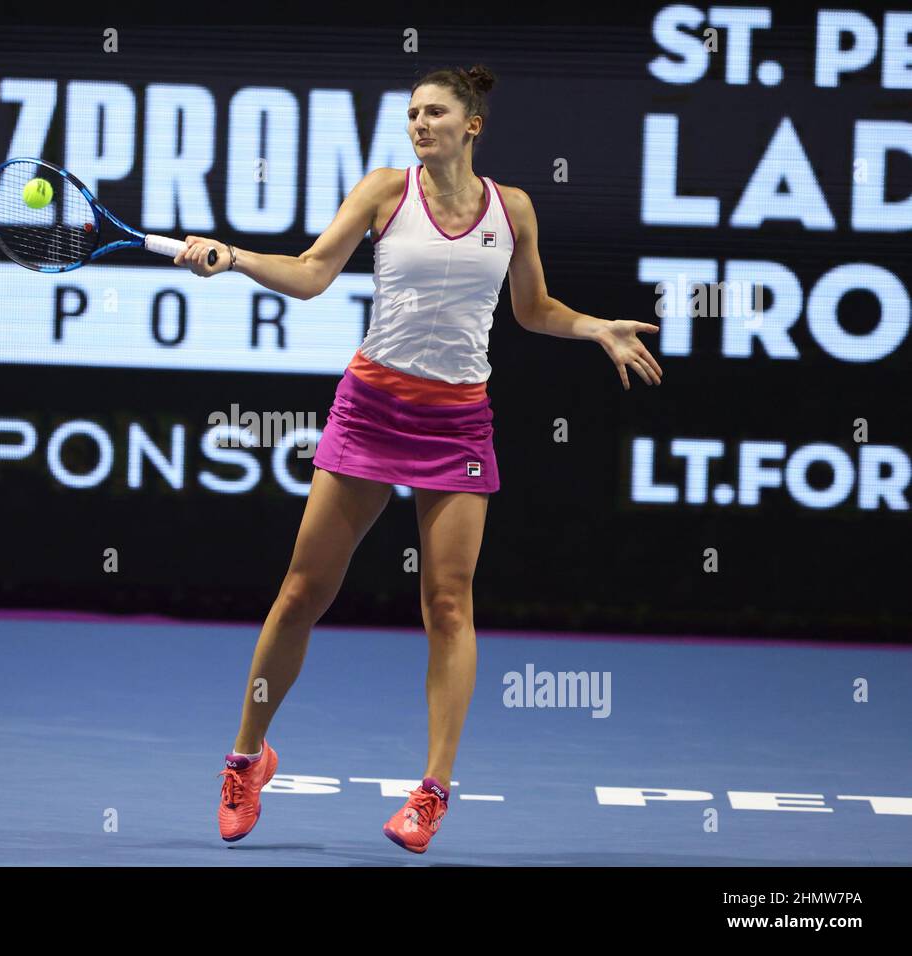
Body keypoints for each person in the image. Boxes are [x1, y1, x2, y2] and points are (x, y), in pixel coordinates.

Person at [174, 64, 662, 854]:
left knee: (448, 604)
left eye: (434, 112)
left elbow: (533, 309)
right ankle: (246, 757)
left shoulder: (513, 209)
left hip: (457, 423)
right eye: (412, 114)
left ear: (472, 125)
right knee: (301, 590)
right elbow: (311, 273)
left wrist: (595, 327)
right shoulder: (383, 192)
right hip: (370, 409)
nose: (419, 124)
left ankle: (432, 791)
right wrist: (233, 257)